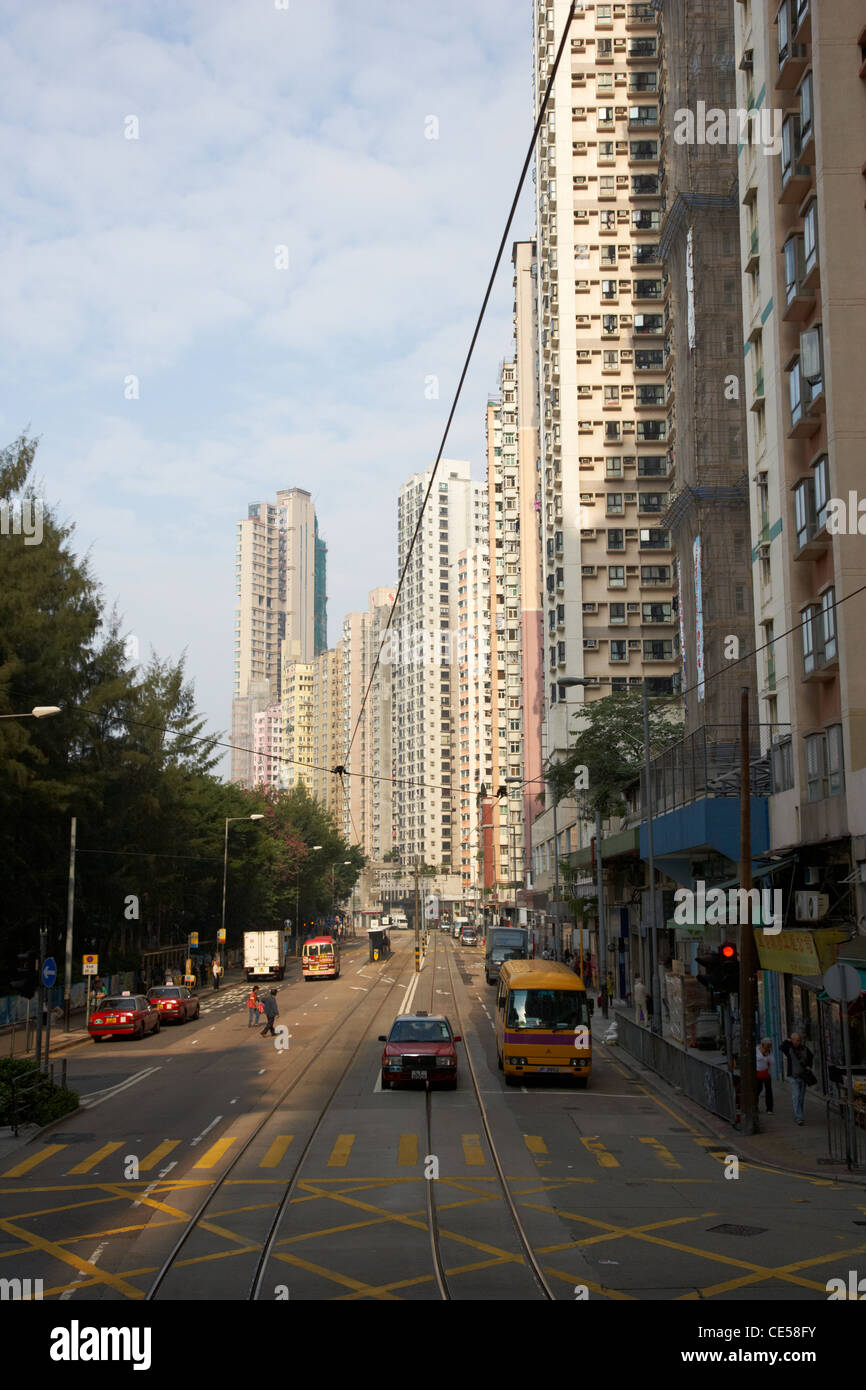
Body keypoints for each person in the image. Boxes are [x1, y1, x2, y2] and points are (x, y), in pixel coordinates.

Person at [781, 1031, 814, 1125]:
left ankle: (799, 1114)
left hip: (803, 1076)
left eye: (799, 1040)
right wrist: (787, 1041)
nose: (798, 1042)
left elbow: (811, 1056)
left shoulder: (804, 1049)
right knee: (796, 1096)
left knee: (801, 1098)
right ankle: (799, 1117)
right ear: (792, 1040)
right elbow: (782, 1047)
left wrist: (809, 1066)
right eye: (796, 1040)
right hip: (793, 1076)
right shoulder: (789, 1049)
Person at [756, 1037, 774, 1114]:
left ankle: (769, 1109)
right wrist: (763, 1055)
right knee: (757, 1090)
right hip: (757, 1073)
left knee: (768, 1090)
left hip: (766, 1073)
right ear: (763, 1044)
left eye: (770, 1046)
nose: (769, 1047)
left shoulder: (769, 1052)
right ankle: (755, 1106)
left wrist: (767, 1056)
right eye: (767, 1046)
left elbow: (773, 1062)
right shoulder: (756, 1050)